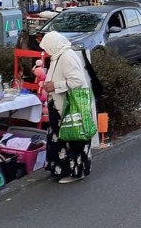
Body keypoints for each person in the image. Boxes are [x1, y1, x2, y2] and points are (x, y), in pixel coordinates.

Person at [40, 31, 98, 183]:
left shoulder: (66, 56)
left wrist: (55, 86)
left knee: (71, 136)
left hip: (69, 106)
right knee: (60, 137)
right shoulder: (58, 56)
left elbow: (76, 81)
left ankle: (74, 172)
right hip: (59, 104)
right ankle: (61, 169)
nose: (46, 51)